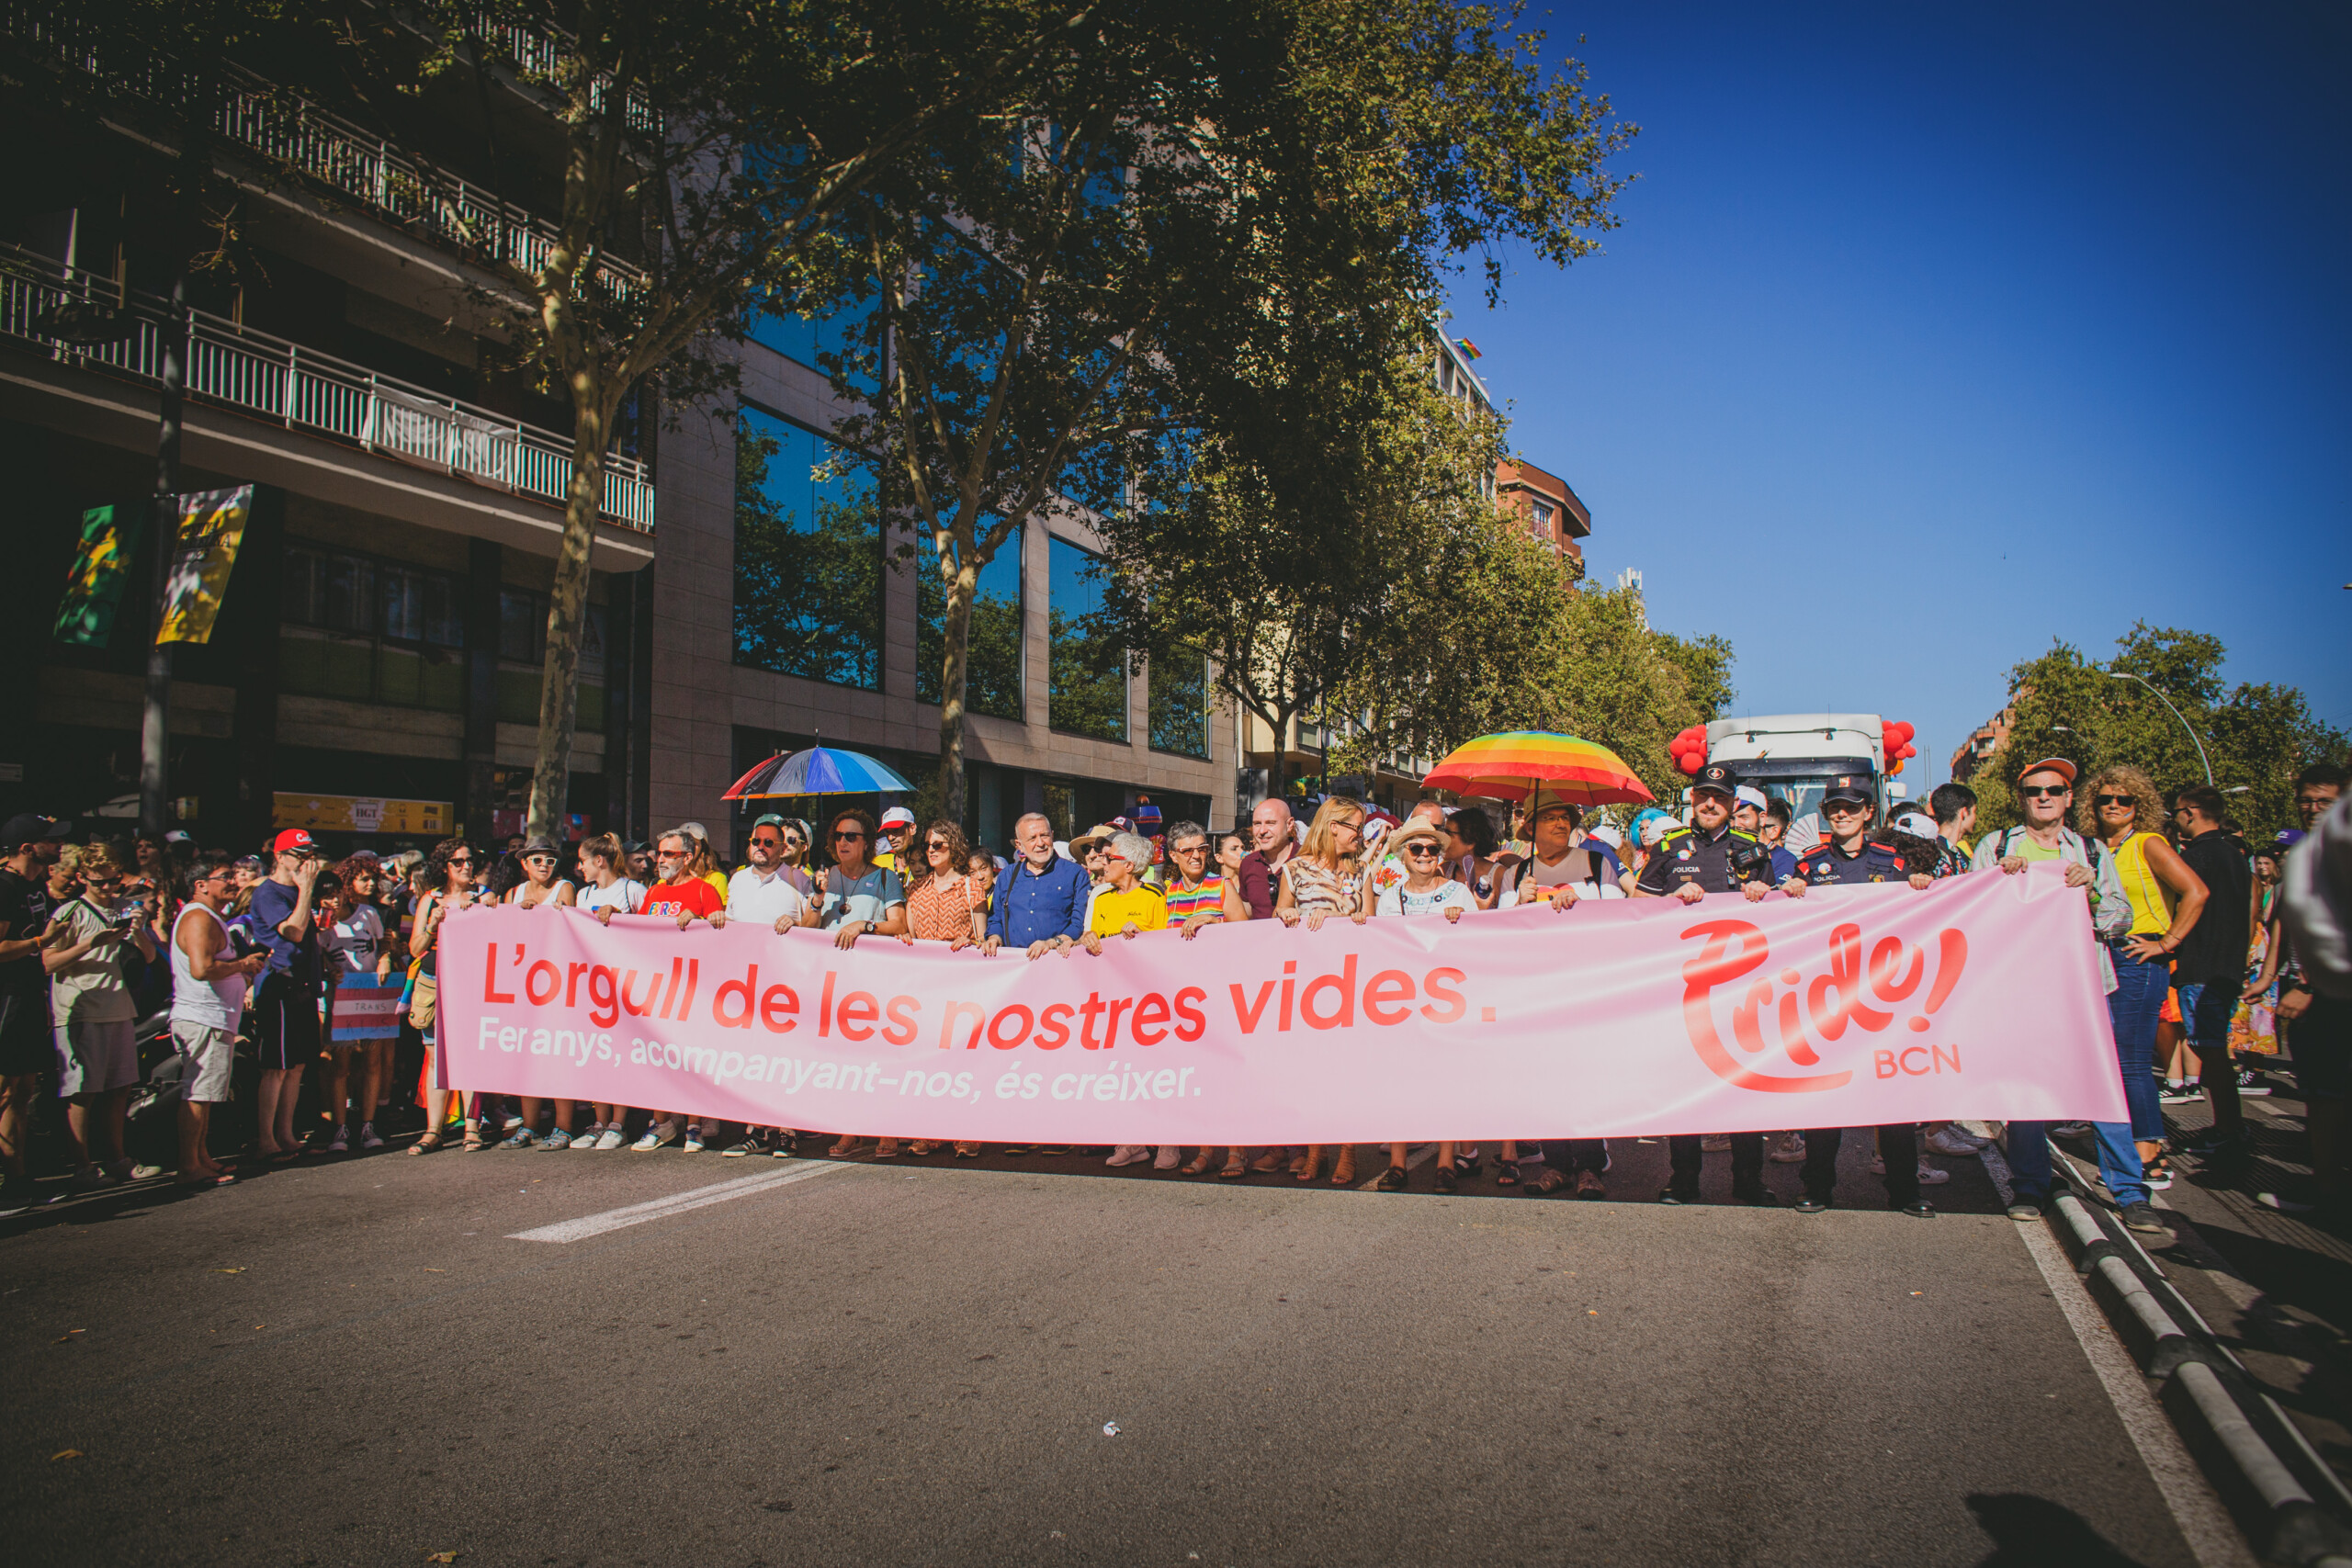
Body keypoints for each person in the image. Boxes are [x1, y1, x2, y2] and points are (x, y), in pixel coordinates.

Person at [1970, 757, 2131, 1222]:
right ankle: (2030, 1186)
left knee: (2102, 1085)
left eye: (2054, 790)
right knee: (2026, 1092)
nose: (2044, 797)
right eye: (2035, 790)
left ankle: (2129, 1191)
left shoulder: (2092, 851)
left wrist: (2092, 890)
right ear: (2021, 799)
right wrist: (1996, 882)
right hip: (2020, 990)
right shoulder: (1996, 846)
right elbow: (1967, 914)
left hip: (2084, 989)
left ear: (2069, 798)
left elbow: (2122, 920)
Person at [1781, 775, 1939, 1217]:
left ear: (1869, 812)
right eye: (1834, 807)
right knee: (1825, 1098)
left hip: (1884, 997)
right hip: (1827, 996)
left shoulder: (1895, 862)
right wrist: (1788, 893)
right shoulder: (1808, 866)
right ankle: (1816, 1188)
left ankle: (1905, 1191)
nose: (1842, 814)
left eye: (1851, 806)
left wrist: (1926, 888)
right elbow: (1783, 922)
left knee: (1892, 1098)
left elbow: (1936, 911)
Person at [1634, 765, 1777, 1207]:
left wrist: (1764, 894)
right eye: (1702, 796)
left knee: (1745, 1086)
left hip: (1742, 988)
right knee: (1685, 1084)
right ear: (1691, 800)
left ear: (1735, 802)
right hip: (1684, 986)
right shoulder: (1668, 848)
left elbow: (1784, 920)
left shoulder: (1753, 848)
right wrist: (1672, 901)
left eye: (1719, 797)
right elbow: (1637, 909)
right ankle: (1684, 1180)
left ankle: (1748, 1181)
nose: (1709, 804)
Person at [2084, 764, 2206, 1215]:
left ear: (2140, 805)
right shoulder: (2092, 848)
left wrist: (2166, 943)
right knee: (2108, 1058)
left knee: (2131, 1060)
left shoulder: (2148, 843)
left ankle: (2150, 1153)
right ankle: (2129, 1148)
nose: (2114, 806)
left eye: (2124, 800)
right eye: (2105, 799)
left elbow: (2196, 892)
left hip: (2138, 960)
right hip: (2100, 953)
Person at [1369, 818, 1480, 1193]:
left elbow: (1479, 943)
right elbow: (1382, 948)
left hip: (1447, 1000)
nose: (1424, 855)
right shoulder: (1390, 898)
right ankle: (1398, 1164)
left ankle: (1446, 1162)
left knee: (1446, 1081)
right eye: (1416, 849)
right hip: (1401, 1001)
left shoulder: (1457, 893)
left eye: (1432, 849)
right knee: (1399, 1082)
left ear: (1440, 855)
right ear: (1403, 855)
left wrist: (1459, 924)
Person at [42, 843, 153, 1189]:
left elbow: (149, 957)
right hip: (81, 1010)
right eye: (99, 883)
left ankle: (118, 1160)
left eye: (113, 881)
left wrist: (138, 932)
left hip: (118, 1007)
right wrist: (91, 942)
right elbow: (47, 962)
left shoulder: (125, 908)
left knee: (120, 1088)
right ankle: (82, 1166)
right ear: (82, 878)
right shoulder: (69, 911)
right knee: (82, 1092)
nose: (108, 889)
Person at [1272, 798, 1369, 1184]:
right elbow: (1281, 912)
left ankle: (1347, 1150)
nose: (1359, 836)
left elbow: (1371, 920)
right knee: (1310, 1070)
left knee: (1344, 1070)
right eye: (1355, 828)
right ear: (1333, 826)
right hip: (1308, 983)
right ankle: (1315, 1150)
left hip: (1350, 980)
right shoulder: (1294, 870)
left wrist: (1346, 917)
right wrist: (1287, 914)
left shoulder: (1362, 870)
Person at [613, 829, 728, 1152]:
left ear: (687, 857)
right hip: (656, 987)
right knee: (656, 1056)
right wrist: (613, 914)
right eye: (659, 854)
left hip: (692, 989)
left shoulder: (705, 890)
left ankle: (693, 1125)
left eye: (668, 854)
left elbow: (720, 940)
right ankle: (661, 1123)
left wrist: (703, 917)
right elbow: (638, 933)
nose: (660, 860)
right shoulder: (653, 892)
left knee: (690, 1057)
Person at [2167, 784, 2256, 1171]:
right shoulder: (2236, 856)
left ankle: (2229, 1131)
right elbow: (2252, 905)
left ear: (2190, 812)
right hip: (2228, 964)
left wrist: (2170, 941)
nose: (2176, 821)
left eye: (2177, 814)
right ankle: (2227, 1125)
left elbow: (2187, 899)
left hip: (2202, 965)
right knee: (2213, 1048)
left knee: (2211, 1052)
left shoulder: (2198, 856)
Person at [169, 852, 266, 1189]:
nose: (231, 881)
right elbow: (202, 969)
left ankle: (201, 1156)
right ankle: (189, 1165)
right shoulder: (199, 918)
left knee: (208, 1094)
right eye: (225, 876)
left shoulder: (210, 916)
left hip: (215, 1019)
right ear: (200, 885)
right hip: (202, 1018)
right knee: (197, 1094)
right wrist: (242, 965)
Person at [897, 820, 989, 1158]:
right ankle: (928, 1129)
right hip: (925, 986)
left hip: (962, 985)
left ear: (955, 848)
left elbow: (983, 940)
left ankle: (966, 1130)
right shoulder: (916, 889)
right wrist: (905, 938)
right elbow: (908, 933)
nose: (932, 850)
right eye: (928, 845)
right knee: (927, 1060)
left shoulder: (970, 888)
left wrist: (970, 940)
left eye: (940, 845)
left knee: (961, 1060)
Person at [493, 838, 580, 1149]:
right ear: (524, 864)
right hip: (522, 983)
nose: (544, 866)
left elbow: (572, 931)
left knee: (557, 1055)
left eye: (550, 860)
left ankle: (564, 1126)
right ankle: (529, 1125)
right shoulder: (513, 894)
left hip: (558, 982)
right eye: (538, 860)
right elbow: (503, 935)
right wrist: (517, 913)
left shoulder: (565, 888)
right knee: (526, 1056)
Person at [248, 829, 326, 1162]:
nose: (306, 862)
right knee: (276, 1068)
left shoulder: (297, 890)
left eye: (309, 855)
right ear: (279, 857)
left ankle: (286, 1133)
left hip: (303, 986)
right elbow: (292, 931)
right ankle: (265, 1139)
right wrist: (307, 889)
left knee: (295, 1066)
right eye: (299, 855)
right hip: (279, 985)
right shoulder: (268, 893)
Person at [407, 839, 486, 1154]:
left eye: (470, 861)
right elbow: (414, 948)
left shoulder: (485, 897)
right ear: (444, 867)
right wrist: (433, 923)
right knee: (434, 1057)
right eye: (458, 862)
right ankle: (433, 1130)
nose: (466, 866)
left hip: (471, 982)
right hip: (434, 980)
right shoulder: (431, 899)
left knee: (470, 1056)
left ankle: (472, 1127)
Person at [573, 834, 647, 1150]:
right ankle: (598, 1121)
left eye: (583, 861)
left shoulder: (633, 890)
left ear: (599, 861)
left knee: (620, 1054)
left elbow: (652, 931)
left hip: (624, 984)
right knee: (596, 1054)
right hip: (590, 984)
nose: (579, 867)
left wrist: (621, 918)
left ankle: (619, 1122)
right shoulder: (582, 894)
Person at [319, 857, 396, 1153]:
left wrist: (386, 957)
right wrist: (327, 967)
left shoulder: (368, 913)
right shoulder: (322, 925)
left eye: (336, 893)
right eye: (326, 895)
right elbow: (315, 955)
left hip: (371, 994)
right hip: (339, 997)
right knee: (340, 1064)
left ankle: (368, 1125)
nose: (334, 899)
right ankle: (340, 1128)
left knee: (372, 1062)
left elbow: (384, 943)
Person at [981, 812, 1091, 961]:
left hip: (1057, 963)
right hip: (1013, 966)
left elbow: (1078, 924)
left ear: (1052, 836)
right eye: (1032, 838)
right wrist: (994, 938)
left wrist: (1051, 943)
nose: (1040, 843)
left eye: (1044, 835)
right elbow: (996, 919)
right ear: (1019, 844)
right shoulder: (1007, 876)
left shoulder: (1075, 874)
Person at [1501, 795, 1627, 905]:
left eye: (1565, 818)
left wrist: (1581, 907)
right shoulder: (1514, 875)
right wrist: (1520, 904)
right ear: (1530, 829)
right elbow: (1503, 928)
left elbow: (1617, 915)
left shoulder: (1597, 863)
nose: (1561, 825)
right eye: (1550, 818)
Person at [1163, 820, 1246, 942]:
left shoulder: (1222, 886)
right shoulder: (1170, 892)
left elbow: (1245, 932)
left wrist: (1213, 920)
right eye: (1187, 851)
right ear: (1174, 856)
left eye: (1202, 849)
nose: (1196, 855)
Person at [1237, 797, 1298, 920]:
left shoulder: (1309, 859)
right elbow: (1246, 913)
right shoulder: (1248, 864)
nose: (1262, 831)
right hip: (1260, 938)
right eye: (1257, 824)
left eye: (1271, 823)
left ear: (1289, 824)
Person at [1733, 786, 1797, 884]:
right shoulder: (1726, 854)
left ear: (1762, 818)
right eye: (1731, 818)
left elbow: (1777, 895)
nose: (1736, 824)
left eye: (1743, 817)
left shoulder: (1783, 859)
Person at [1445, 807, 1507, 909]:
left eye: (1448, 833)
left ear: (1470, 842)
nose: (1443, 838)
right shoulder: (1443, 871)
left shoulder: (1499, 875)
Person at [1928, 783, 1978, 879]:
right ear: (1964, 812)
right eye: (1975, 811)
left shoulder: (1959, 855)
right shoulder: (1934, 853)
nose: (1976, 818)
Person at [875, 805, 918, 872]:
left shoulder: (926, 864)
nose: (890, 838)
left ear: (912, 828)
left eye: (896, 830)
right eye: (887, 832)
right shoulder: (877, 864)